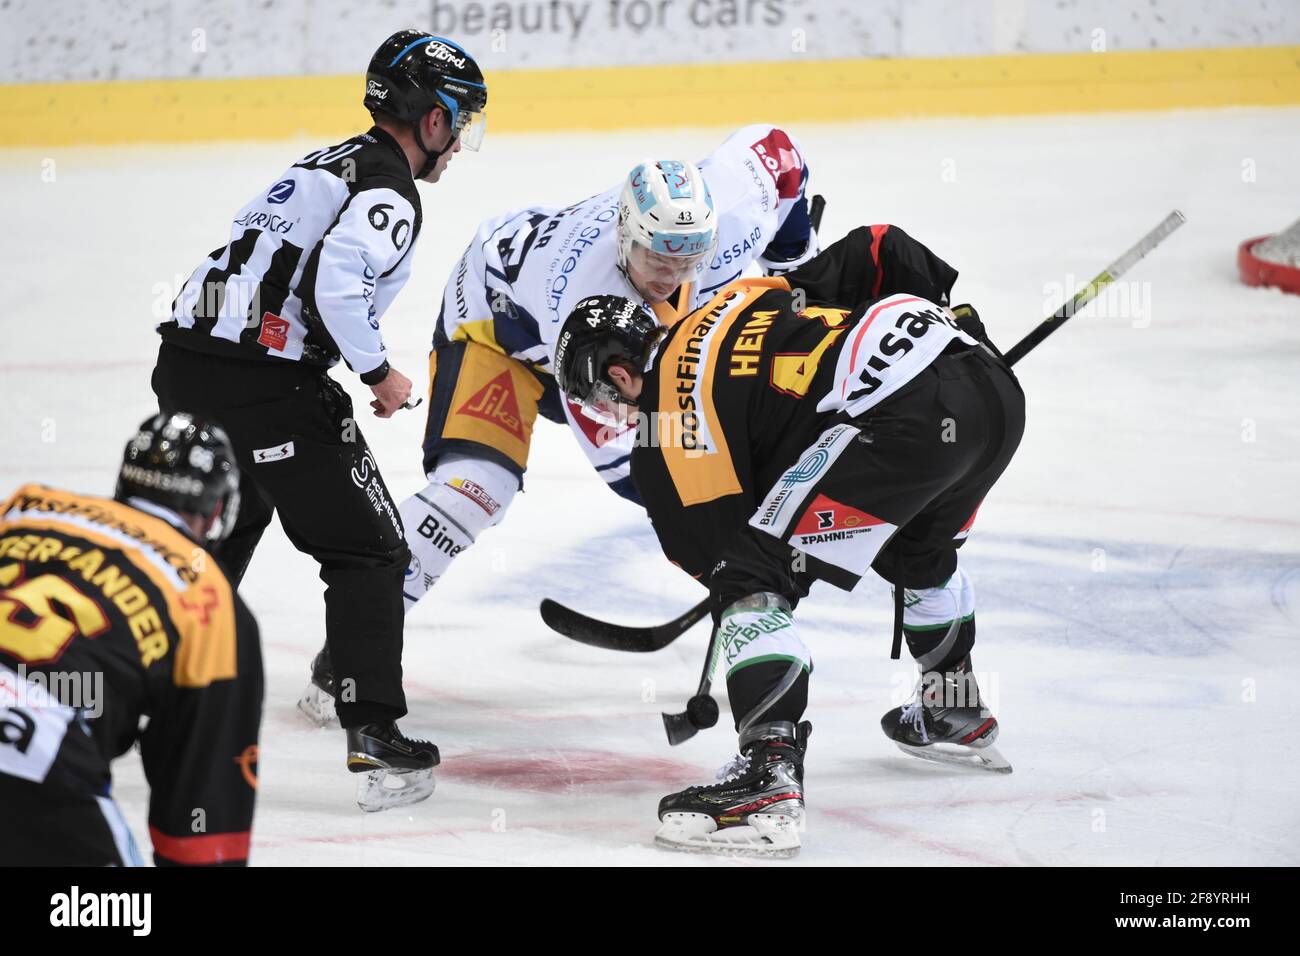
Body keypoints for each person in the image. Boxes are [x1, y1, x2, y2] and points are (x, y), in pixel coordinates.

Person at [300, 125, 828, 718]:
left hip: (622, 339)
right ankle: (353, 651)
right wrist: (742, 536)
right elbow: (642, 468)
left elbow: (778, 151)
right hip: (501, 334)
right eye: (658, 256)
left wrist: (801, 274)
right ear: (626, 235)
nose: (673, 273)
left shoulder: (726, 213)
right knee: (476, 487)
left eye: (689, 257)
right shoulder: (584, 307)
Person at [553, 226, 1025, 856]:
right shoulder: (743, 297)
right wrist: (949, 322)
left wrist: (752, 576)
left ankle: (767, 777)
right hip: (989, 389)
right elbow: (877, 247)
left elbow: (738, 564)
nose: (611, 416)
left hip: (902, 419)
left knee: (749, 580)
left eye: (599, 398)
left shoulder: (668, 418)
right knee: (919, 551)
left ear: (618, 372)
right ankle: (953, 702)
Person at [152, 30, 487, 810]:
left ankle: (161, 692)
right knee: (373, 552)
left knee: (229, 524)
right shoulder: (388, 190)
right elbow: (338, 285)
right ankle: (376, 737)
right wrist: (380, 371)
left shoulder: (328, 160)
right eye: (459, 122)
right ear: (430, 121)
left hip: (188, 369)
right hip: (267, 388)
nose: (461, 144)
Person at [0, 412, 262, 866]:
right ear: (217, 509)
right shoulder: (209, 596)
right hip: (29, 739)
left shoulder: (28, 506)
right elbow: (201, 816)